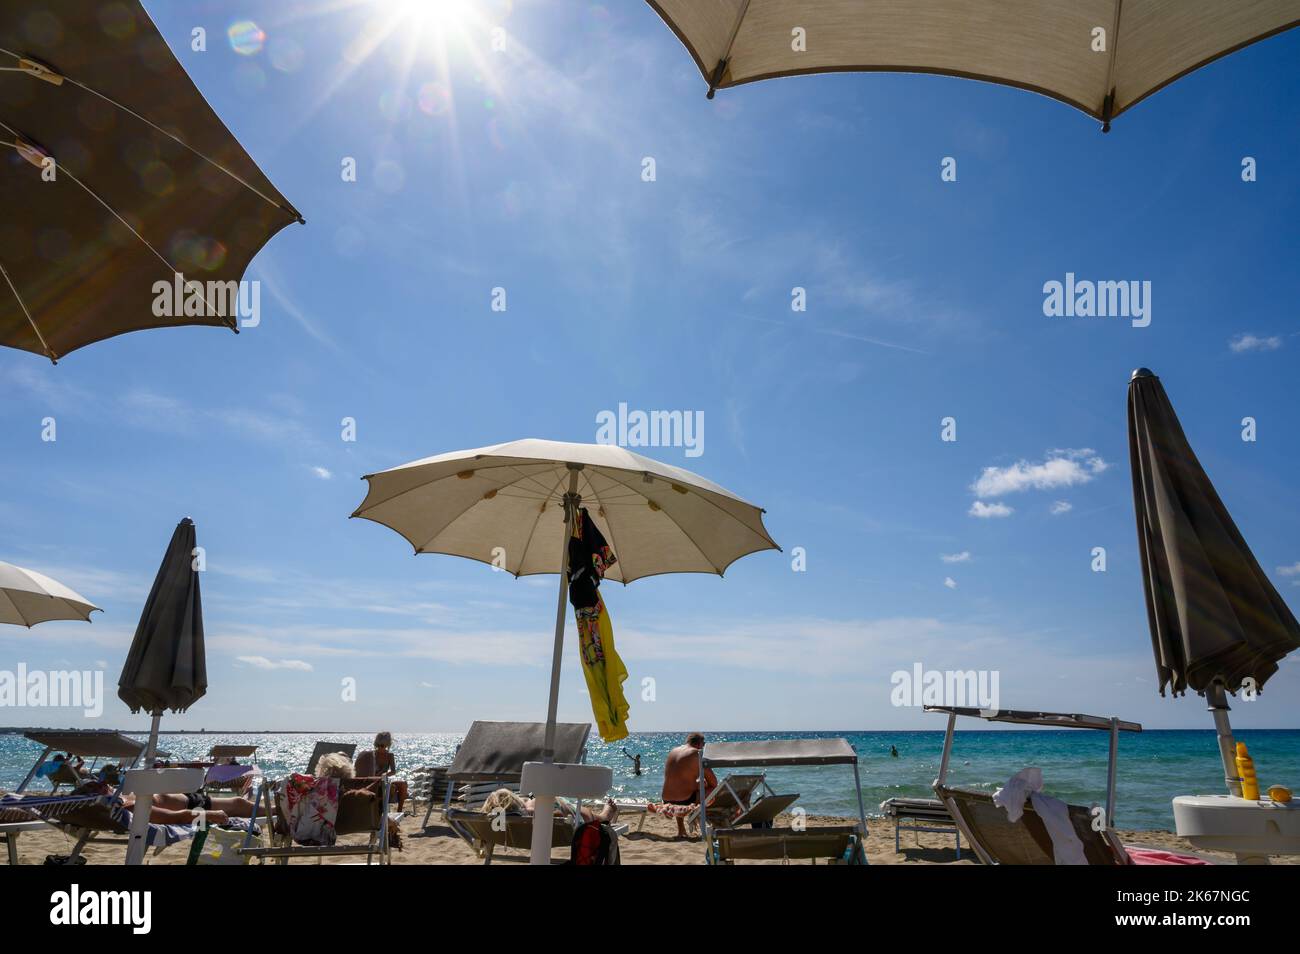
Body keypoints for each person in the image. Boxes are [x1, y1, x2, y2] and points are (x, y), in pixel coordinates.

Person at [661, 732, 716, 839]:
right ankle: (704, 820)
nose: (703, 747)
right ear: (699, 743)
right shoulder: (697, 753)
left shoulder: (674, 750)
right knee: (712, 789)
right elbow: (714, 782)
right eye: (703, 744)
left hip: (666, 799)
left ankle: (681, 830)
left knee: (687, 788)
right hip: (684, 800)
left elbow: (679, 779)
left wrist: (697, 784)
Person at [481, 788, 619, 826]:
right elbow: (558, 814)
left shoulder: (497, 823)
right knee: (594, 816)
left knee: (534, 797)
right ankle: (605, 815)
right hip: (577, 819)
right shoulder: (530, 810)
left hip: (544, 806)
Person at [353, 731, 408, 810]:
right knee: (387, 788)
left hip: (383, 780)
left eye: (383, 746)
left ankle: (399, 810)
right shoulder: (372, 755)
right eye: (379, 745)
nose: (380, 748)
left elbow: (393, 771)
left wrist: (384, 775)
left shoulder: (389, 755)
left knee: (403, 784)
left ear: (387, 745)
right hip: (373, 781)